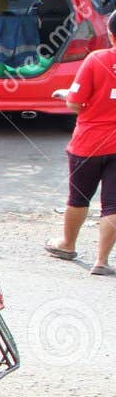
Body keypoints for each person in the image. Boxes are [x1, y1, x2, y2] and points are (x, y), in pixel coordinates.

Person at [46, 14, 116, 274]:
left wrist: (69, 95)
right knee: (113, 203)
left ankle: (67, 244)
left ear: (111, 34)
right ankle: (102, 260)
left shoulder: (97, 59)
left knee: (78, 198)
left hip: (89, 144)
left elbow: (75, 103)